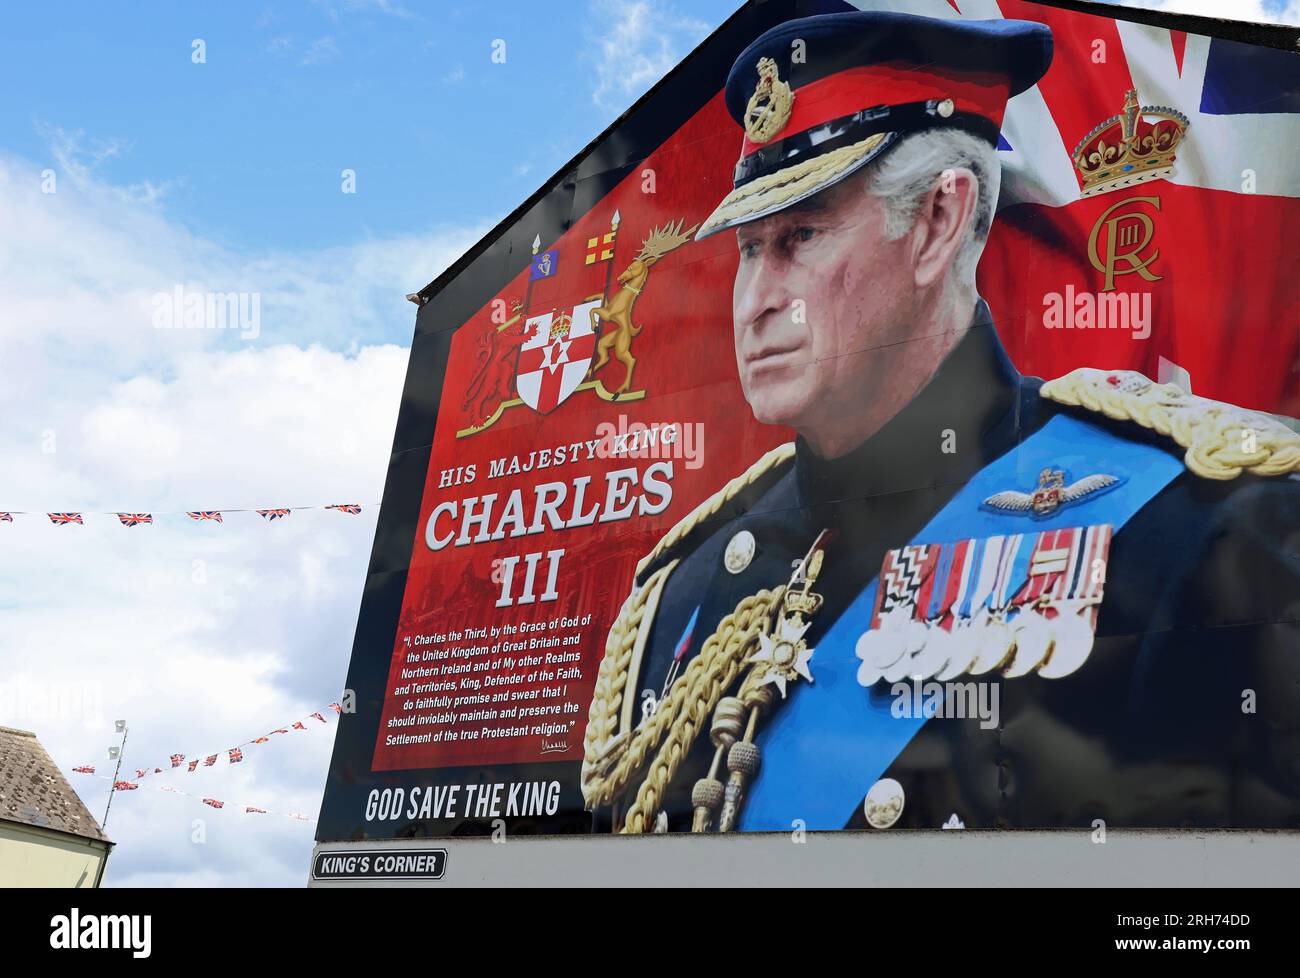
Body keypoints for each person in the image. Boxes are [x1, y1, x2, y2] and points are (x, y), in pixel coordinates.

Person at [580, 9, 1300, 835]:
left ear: (937, 223)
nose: (755, 302)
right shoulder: (678, 594)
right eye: (750, 249)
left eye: (801, 238)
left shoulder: (1203, 535)